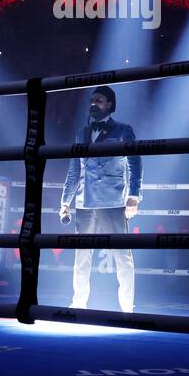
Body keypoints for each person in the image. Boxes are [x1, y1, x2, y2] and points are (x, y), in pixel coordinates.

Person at [59, 86, 141, 313]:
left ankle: (127, 307)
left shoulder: (123, 130)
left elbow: (135, 163)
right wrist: (65, 201)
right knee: (81, 256)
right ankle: (79, 302)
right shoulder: (82, 132)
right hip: (84, 202)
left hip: (112, 200)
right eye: (92, 100)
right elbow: (74, 169)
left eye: (99, 100)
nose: (94, 104)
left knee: (122, 256)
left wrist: (133, 196)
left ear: (110, 105)